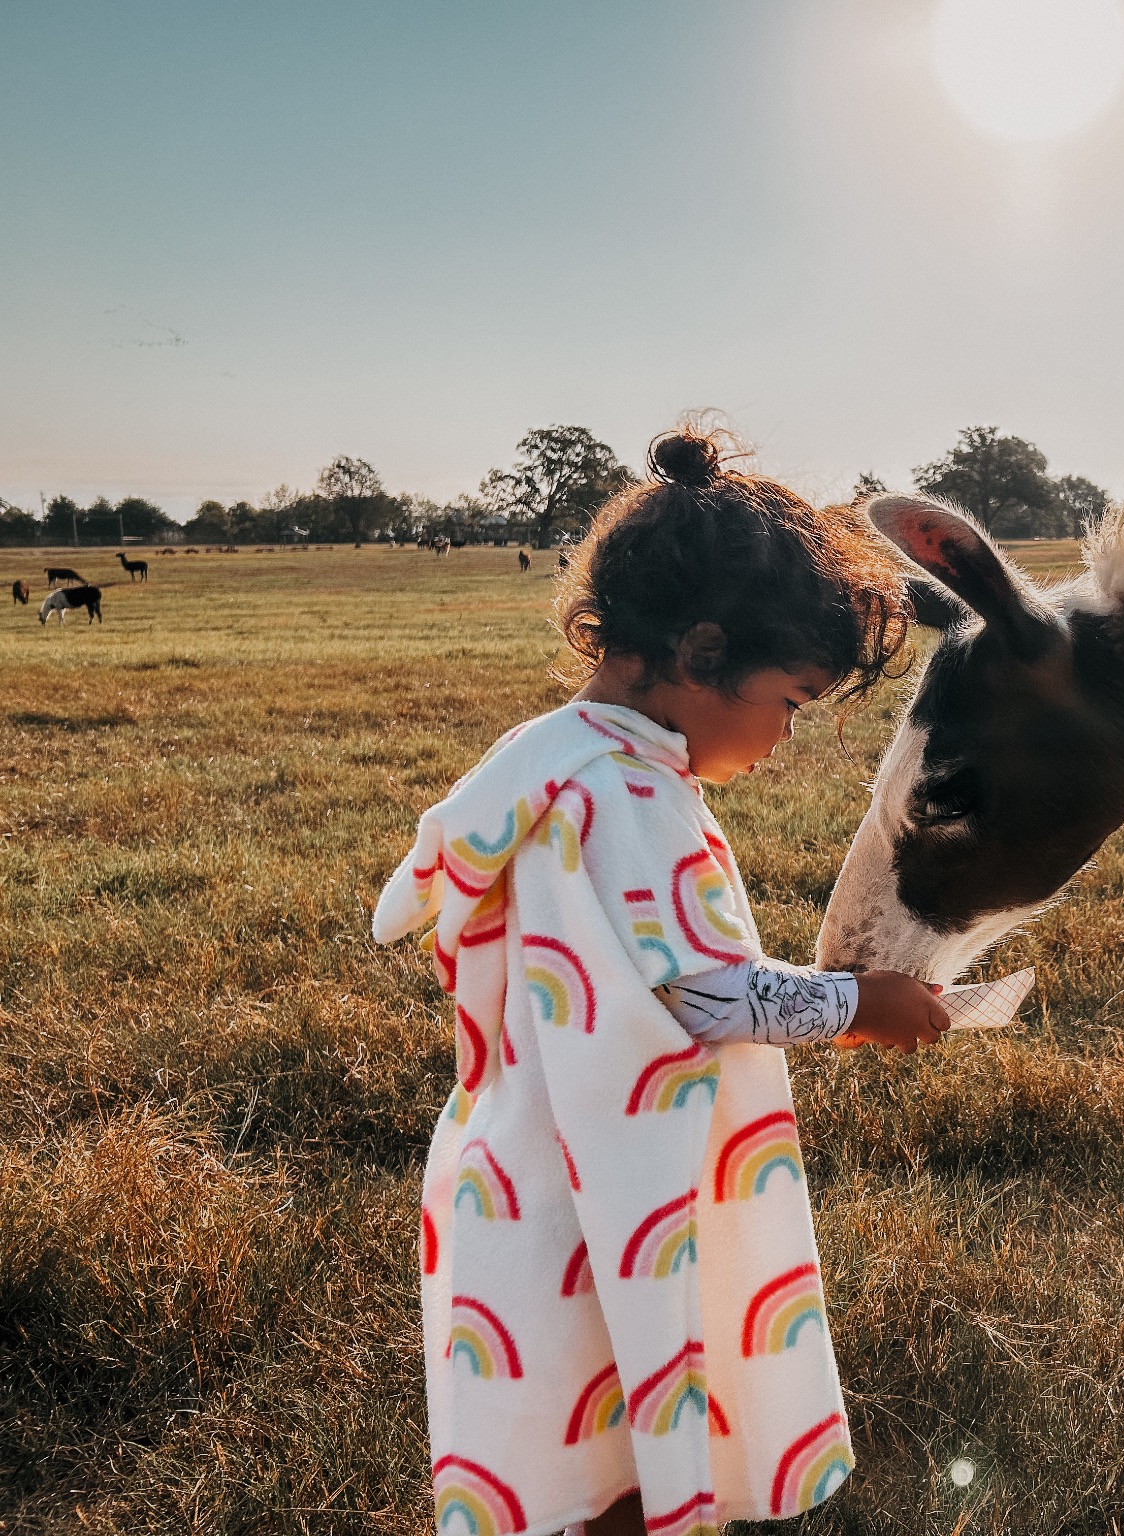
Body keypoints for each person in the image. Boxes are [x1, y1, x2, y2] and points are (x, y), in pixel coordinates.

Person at [373, 428, 950, 1536]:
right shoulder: (627, 794)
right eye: (791, 700)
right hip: (603, 1194)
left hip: (534, 1171)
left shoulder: (552, 757)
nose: (785, 736)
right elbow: (700, 995)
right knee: (628, 1441)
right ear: (700, 651)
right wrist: (857, 1005)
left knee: (583, 1448)